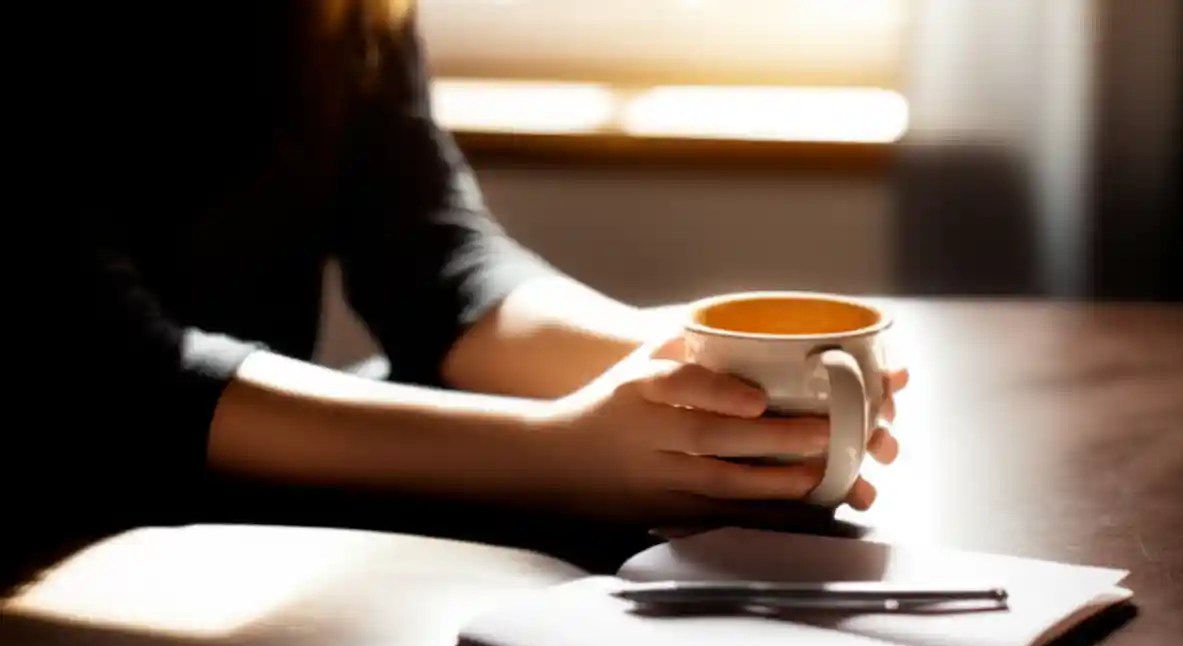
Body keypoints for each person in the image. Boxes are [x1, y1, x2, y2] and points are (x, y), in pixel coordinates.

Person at [48, 0, 907, 545]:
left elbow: (433, 266)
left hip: (221, 521)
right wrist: (563, 453)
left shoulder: (346, 16)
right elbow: (113, 381)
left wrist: (695, 366)